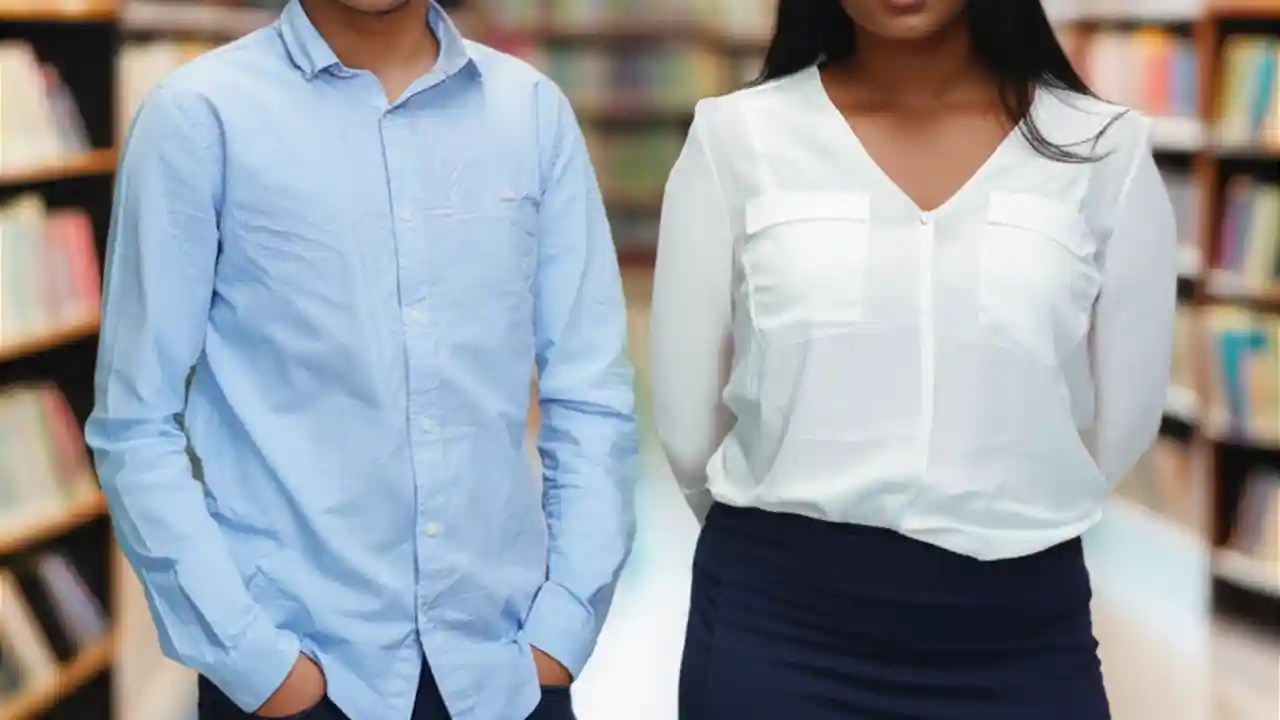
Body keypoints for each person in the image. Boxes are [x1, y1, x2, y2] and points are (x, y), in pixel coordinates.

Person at [87, 0, 637, 718]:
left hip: (503, 675)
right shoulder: (199, 117)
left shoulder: (530, 113)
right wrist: (259, 665)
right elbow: (134, 423)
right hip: (299, 676)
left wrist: (562, 630)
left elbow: (590, 393)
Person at [650, 0, 1175, 717]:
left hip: (1019, 633)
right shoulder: (737, 137)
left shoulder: (1101, 148)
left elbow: (1124, 417)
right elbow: (685, 417)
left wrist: (999, 502)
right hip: (778, 627)